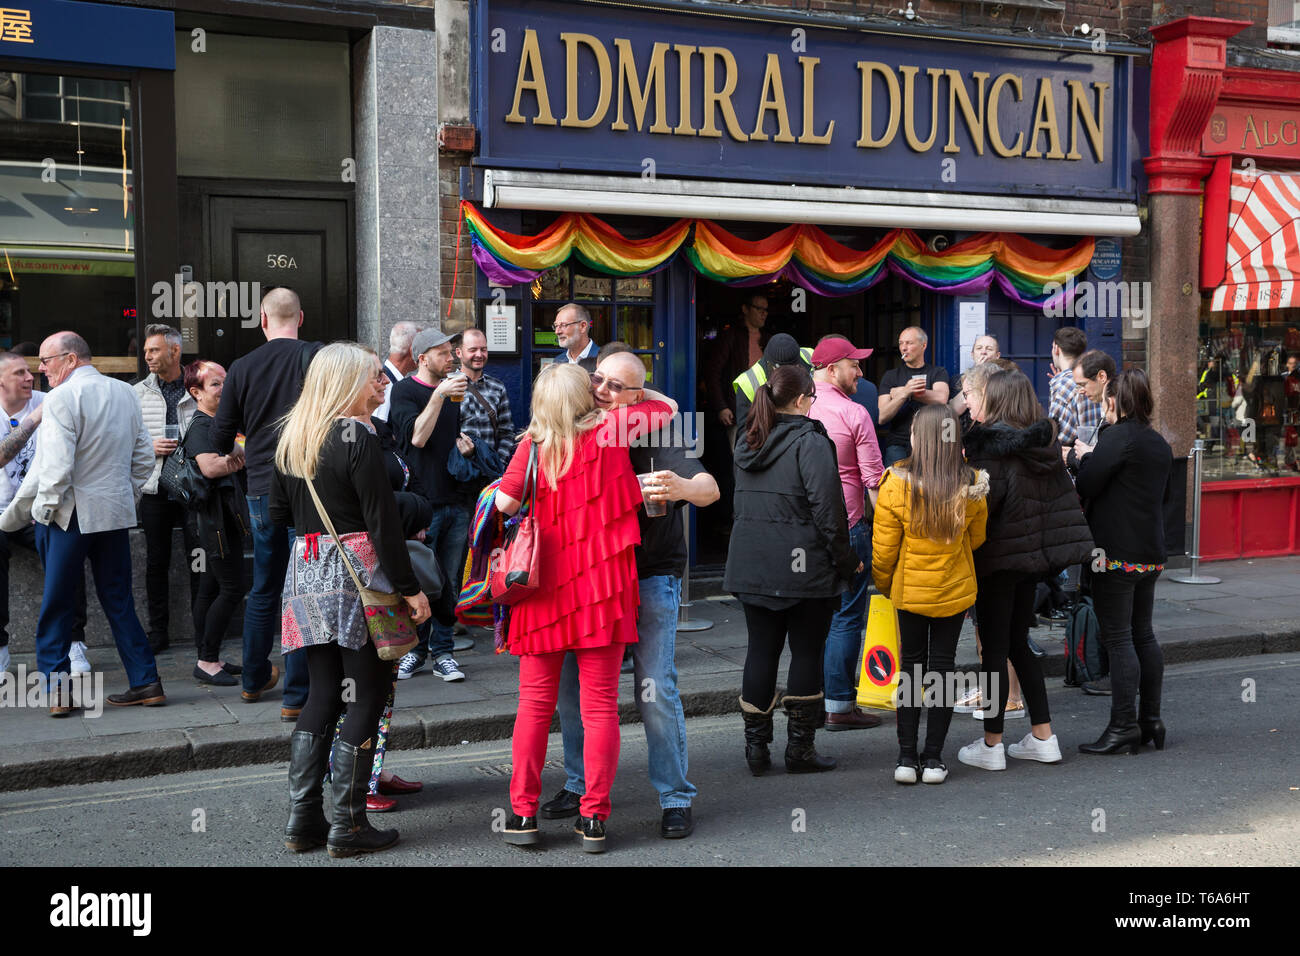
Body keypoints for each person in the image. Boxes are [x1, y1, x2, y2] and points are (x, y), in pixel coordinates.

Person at [495, 362, 676, 853]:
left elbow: (505, 507)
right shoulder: (614, 431)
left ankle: (522, 814)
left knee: (534, 707)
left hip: (543, 592)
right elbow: (670, 408)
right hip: (603, 590)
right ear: (586, 397)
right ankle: (593, 819)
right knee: (599, 710)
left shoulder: (531, 446)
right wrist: (620, 393)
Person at [544, 344, 718, 840]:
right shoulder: (580, 424)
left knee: (655, 688)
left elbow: (709, 488)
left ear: (637, 395)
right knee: (574, 689)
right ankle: (580, 786)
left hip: (648, 575)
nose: (601, 391)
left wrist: (678, 489)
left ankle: (675, 796)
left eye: (615, 386)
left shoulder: (657, 431)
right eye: (597, 379)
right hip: (588, 579)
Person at [273, 342, 431, 858]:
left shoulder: (293, 435)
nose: (379, 383)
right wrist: (410, 590)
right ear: (344, 382)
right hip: (357, 574)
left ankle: (304, 821)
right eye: (370, 377)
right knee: (367, 692)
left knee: (323, 693)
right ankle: (349, 824)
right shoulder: (357, 436)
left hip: (306, 570)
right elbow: (382, 524)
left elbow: (277, 514)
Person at [0, 333, 162, 714]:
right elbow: (142, 458)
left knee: (57, 603)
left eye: (46, 360)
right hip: (114, 514)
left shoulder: (61, 398)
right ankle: (147, 682)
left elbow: (56, 467)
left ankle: (58, 693)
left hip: (67, 516)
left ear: (69, 359)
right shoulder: (125, 392)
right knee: (119, 601)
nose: (41, 369)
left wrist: (43, 512)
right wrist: (127, 496)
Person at [727, 364, 860, 776]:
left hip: (753, 563)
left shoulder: (747, 438)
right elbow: (829, 512)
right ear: (803, 400)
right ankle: (799, 751)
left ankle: (756, 750)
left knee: (761, 651)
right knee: (806, 652)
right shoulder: (811, 442)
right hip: (805, 570)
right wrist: (846, 561)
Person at [958, 369, 1093, 770]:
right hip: (1032, 562)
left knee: (995, 651)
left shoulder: (989, 448)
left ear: (997, 400)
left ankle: (992, 745)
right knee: (1019, 644)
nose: (970, 405)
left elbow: (984, 509)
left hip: (997, 561)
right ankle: (1043, 736)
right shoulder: (1043, 446)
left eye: (976, 397)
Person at [210, 287, 323, 719]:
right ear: (301, 316)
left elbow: (220, 438)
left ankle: (252, 681)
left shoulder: (241, 367)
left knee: (263, 587)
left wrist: (244, 447)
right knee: (300, 588)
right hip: (305, 486)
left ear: (262, 319)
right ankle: (296, 696)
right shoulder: (314, 357)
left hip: (259, 486)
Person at [872, 404, 988, 784]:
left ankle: (906, 759)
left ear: (917, 438)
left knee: (911, 669)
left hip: (910, 591)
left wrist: (887, 584)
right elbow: (977, 539)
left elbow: (884, 549)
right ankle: (934, 759)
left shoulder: (896, 481)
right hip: (953, 590)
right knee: (943, 669)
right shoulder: (971, 483)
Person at [1070, 370, 1173, 755]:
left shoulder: (1117, 438)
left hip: (1113, 555)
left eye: (1105, 401)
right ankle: (1151, 720)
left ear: (1115, 401)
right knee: (1143, 633)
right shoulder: (1158, 443)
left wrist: (1082, 458)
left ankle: (1123, 726)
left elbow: (1087, 484)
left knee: (1118, 638)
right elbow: (1164, 499)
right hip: (1150, 554)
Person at [808, 335, 884, 731]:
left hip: (805, 532)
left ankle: (811, 701)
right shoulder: (855, 413)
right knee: (847, 616)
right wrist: (887, 534)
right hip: (850, 526)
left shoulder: (796, 408)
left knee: (813, 615)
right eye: (853, 364)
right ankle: (839, 706)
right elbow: (873, 481)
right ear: (832, 368)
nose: (859, 371)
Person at [389, 329, 474, 682]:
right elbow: (416, 437)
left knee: (449, 581)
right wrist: (438, 395)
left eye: (451, 352)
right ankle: (415, 651)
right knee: (422, 579)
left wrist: (465, 447)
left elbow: (441, 441)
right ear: (422, 358)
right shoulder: (405, 391)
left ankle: (443, 653)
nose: (451, 358)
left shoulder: (453, 392)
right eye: (442, 353)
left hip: (456, 498)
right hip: (422, 505)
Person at [0, 352, 88, 676]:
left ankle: (74, 642)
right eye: (20, 372)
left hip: (44, 507)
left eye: (30, 370)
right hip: (2, 511)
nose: (30, 376)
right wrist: (35, 417)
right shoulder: (41, 406)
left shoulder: (53, 398)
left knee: (67, 551)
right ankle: (0, 649)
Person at [953, 360, 1028, 720]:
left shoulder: (994, 438)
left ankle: (1006, 700)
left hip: (999, 550)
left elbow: (991, 500)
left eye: (967, 394)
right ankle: (998, 693)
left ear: (985, 392)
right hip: (1011, 550)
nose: (964, 401)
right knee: (1000, 633)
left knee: (999, 634)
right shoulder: (1001, 430)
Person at [179, 360, 247, 686]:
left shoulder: (216, 423)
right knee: (234, 587)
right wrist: (243, 458)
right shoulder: (200, 427)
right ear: (196, 392)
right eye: (216, 384)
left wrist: (235, 454)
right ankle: (207, 660)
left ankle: (209, 656)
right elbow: (209, 468)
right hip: (210, 523)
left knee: (211, 587)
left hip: (218, 520)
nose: (224, 388)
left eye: (225, 381)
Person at [133, 323, 200, 653]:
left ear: (175, 351)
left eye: (154, 350)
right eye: (146, 350)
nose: (147, 356)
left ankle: (204, 630)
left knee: (199, 560)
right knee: (156, 562)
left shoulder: (199, 386)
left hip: (194, 486)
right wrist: (149, 448)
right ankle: (157, 631)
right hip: (155, 487)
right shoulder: (137, 392)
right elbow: (124, 443)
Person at [878, 326, 951, 467]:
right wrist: (906, 392)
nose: (903, 348)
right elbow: (882, 416)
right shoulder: (891, 376)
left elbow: (941, 399)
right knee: (897, 487)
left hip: (930, 443)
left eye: (909, 343)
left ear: (923, 345)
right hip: (898, 444)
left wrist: (907, 393)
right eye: (901, 343)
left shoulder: (938, 372)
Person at [453, 327, 516, 483]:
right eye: (473, 350)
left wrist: (497, 463)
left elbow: (507, 433)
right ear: (459, 353)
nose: (479, 355)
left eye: (484, 349)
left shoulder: (497, 387)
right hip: (457, 474)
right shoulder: (447, 386)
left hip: (489, 476)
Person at [704, 292, 770, 431]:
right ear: (745, 309)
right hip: (737, 410)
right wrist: (721, 406)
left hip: (764, 408)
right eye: (759, 309)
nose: (764, 314)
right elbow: (713, 373)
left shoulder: (767, 339)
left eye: (766, 310)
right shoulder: (731, 336)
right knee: (739, 451)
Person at [1048, 328, 1102, 448]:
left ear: (1056, 349)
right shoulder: (1095, 378)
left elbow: (1059, 436)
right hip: (1098, 452)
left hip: (1075, 458)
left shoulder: (1062, 384)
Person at [375, 321, 424, 422]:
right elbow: (378, 426)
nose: (424, 353)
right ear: (412, 350)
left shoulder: (390, 380)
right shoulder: (386, 384)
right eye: (422, 347)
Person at [949, 334, 1001, 424]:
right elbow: (954, 410)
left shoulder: (1005, 378)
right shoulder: (958, 379)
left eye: (989, 349)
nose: (983, 352)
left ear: (997, 356)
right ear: (972, 355)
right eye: (979, 348)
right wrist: (977, 372)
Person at [550, 303, 599, 371]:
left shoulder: (603, 360)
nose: (557, 331)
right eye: (556, 326)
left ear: (583, 326)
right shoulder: (558, 360)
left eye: (564, 325)